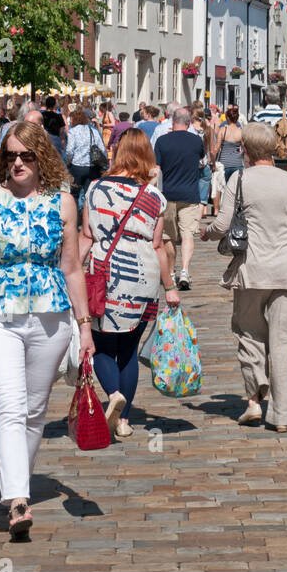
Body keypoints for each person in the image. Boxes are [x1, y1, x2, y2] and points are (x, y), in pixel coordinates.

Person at [0, 122, 91, 540]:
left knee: (34, 409)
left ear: (40, 157)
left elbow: (71, 267)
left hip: (51, 315)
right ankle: (17, 500)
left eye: (26, 155)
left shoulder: (63, 203)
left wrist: (85, 327)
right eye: (10, 156)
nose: (18, 163)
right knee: (9, 405)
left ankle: (18, 483)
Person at [200, 123, 287, 432]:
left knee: (249, 333)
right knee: (283, 345)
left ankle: (254, 400)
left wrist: (205, 232)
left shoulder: (238, 179)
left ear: (245, 150)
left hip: (253, 271)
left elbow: (223, 223)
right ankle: (282, 416)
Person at [80, 128, 180, 440]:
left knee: (100, 346)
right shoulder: (154, 197)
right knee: (129, 349)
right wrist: (170, 286)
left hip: (105, 273)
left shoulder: (95, 189)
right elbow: (158, 247)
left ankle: (113, 393)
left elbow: (86, 237)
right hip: (142, 278)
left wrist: (67, 273)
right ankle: (123, 421)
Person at [154, 107, 205, 291]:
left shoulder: (162, 141)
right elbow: (201, 160)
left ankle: (172, 273)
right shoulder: (196, 141)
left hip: (167, 194)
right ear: (189, 123)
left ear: (171, 121)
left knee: (168, 237)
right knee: (187, 234)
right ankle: (184, 270)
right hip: (190, 194)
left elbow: (157, 168)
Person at [63, 109, 107, 214]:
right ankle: (87, 218)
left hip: (77, 166)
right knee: (89, 194)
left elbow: (69, 150)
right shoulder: (93, 131)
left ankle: (74, 216)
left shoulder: (73, 131)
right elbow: (101, 148)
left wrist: (68, 161)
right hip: (92, 167)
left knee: (74, 194)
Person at [214, 105, 244, 185]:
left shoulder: (222, 130)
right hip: (237, 164)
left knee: (223, 189)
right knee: (236, 190)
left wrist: (212, 162)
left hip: (224, 164)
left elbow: (216, 148)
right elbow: (245, 148)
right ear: (237, 118)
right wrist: (240, 154)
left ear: (227, 118)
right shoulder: (241, 132)